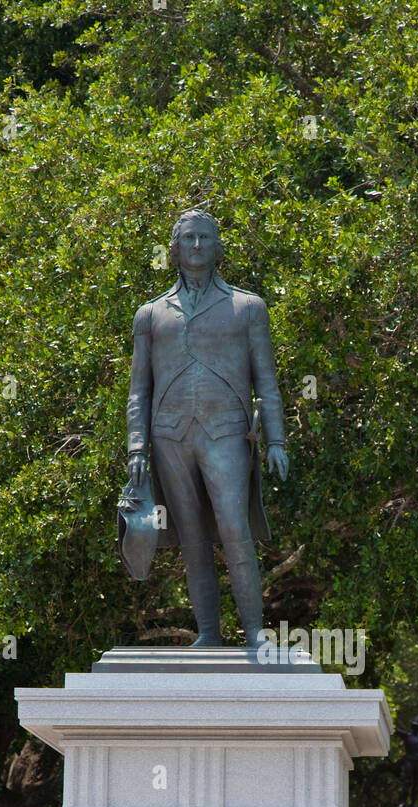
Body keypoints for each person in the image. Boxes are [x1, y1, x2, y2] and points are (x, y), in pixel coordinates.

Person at [126, 209, 289, 646]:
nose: (197, 245)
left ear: (218, 248)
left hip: (228, 432)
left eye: (205, 238)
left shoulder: (248, 307)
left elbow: (266, 380)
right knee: (192, 538)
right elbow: (139, 389)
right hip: (169, 436)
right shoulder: (150, 314)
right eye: (189, 238)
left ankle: (255, 632)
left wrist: (275, 438)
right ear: (175, 249)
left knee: (235, 529)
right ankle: (209, 634)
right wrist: (136, 447)